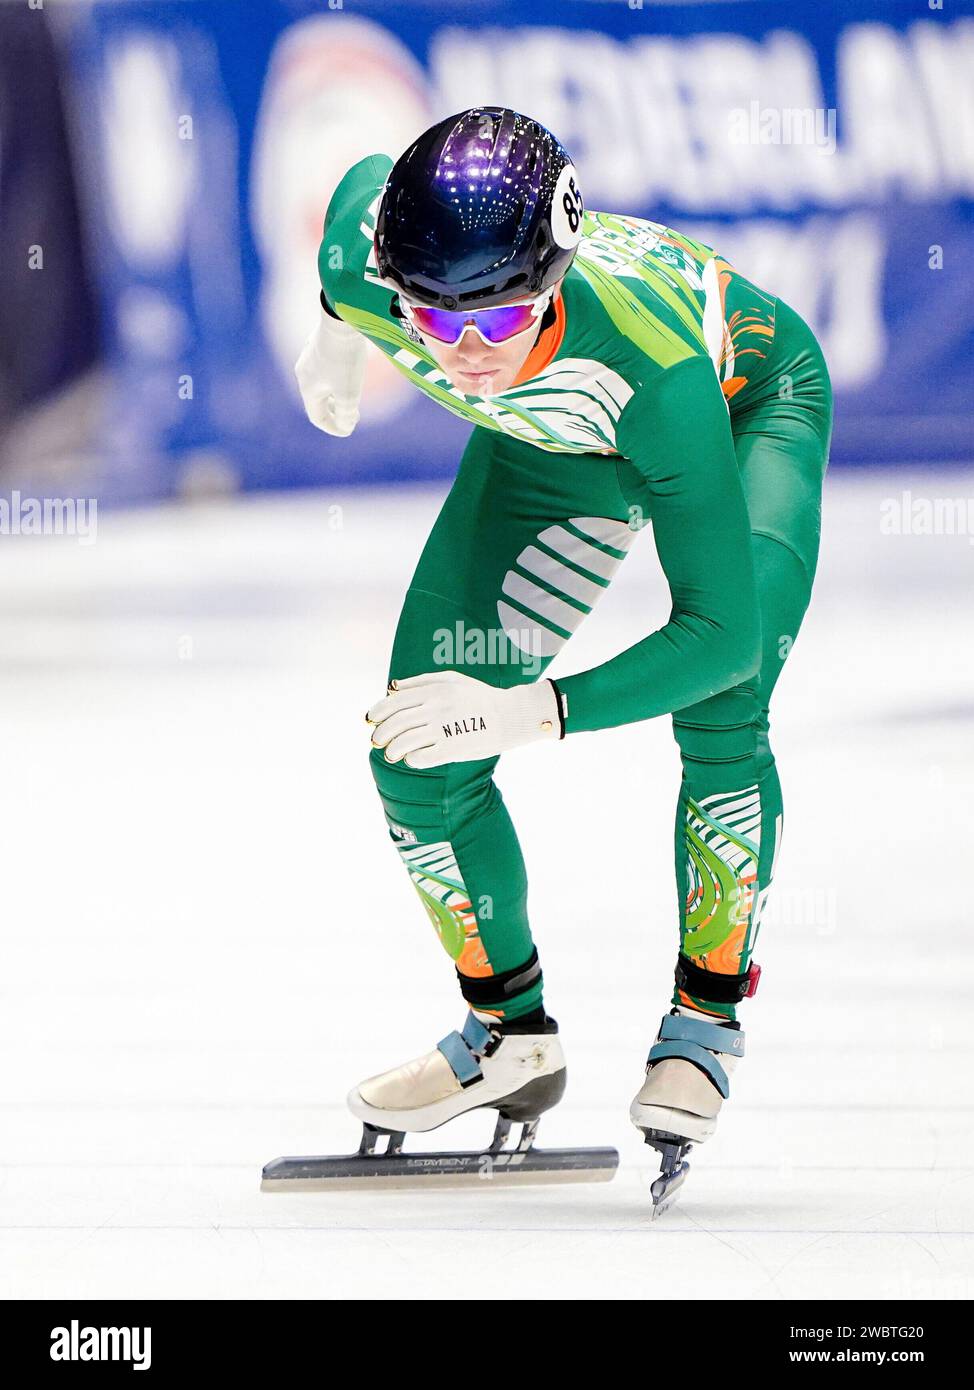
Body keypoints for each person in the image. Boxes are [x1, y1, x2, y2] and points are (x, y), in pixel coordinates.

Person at [295, 107, 832, 1203]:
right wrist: (341, 333)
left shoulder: (654, 361)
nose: (460, 361)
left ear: (549, 286)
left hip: (732, 415)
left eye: (491, 331)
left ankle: (705, 1016)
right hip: (553, 451)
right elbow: (354, 196)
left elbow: (718, 638)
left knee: (722, 710)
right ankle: (506, 1032)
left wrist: (531, 709)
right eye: (425, 328)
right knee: (412, 755)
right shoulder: (367, 248)